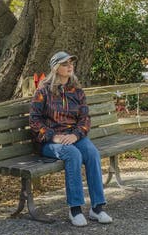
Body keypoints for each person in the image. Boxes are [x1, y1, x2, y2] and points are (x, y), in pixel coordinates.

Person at [29, 50, 112, 226]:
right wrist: (54, 137)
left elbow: (85, 119)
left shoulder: (77, 92)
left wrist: (75, 135)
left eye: (71, 64)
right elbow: (34, 121)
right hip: (49, 142)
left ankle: (97, 207)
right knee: (73, 154)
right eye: (65, 64)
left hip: (73, 137)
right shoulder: (43, 91)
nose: (70, 67)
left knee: (91, 152)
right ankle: (75, 209)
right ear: (56, 68)